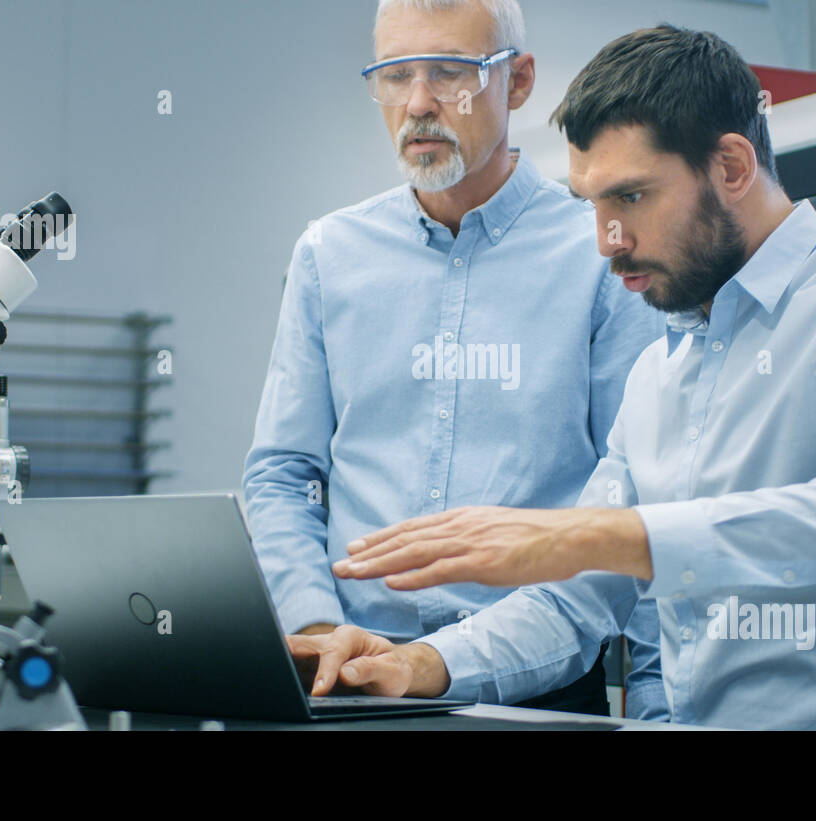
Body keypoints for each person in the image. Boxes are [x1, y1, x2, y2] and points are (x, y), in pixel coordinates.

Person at [290, 24, 816, 730]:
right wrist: (415, 664)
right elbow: (575, 600)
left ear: (733, 168)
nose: (606, 241)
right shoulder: (663, 367)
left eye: (629, 198)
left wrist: (600, 536)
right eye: (592, 204)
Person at [243, 0, 667, 718]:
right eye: (395, 74)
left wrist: (658, 705)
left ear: (520, 81)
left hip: (536, 693)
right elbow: (283, 474)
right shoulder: (329, 255)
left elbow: (631, 510)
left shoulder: (601, 254)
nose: (418, 103)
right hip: (346, 680)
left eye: (450, 72)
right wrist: (315, 631)